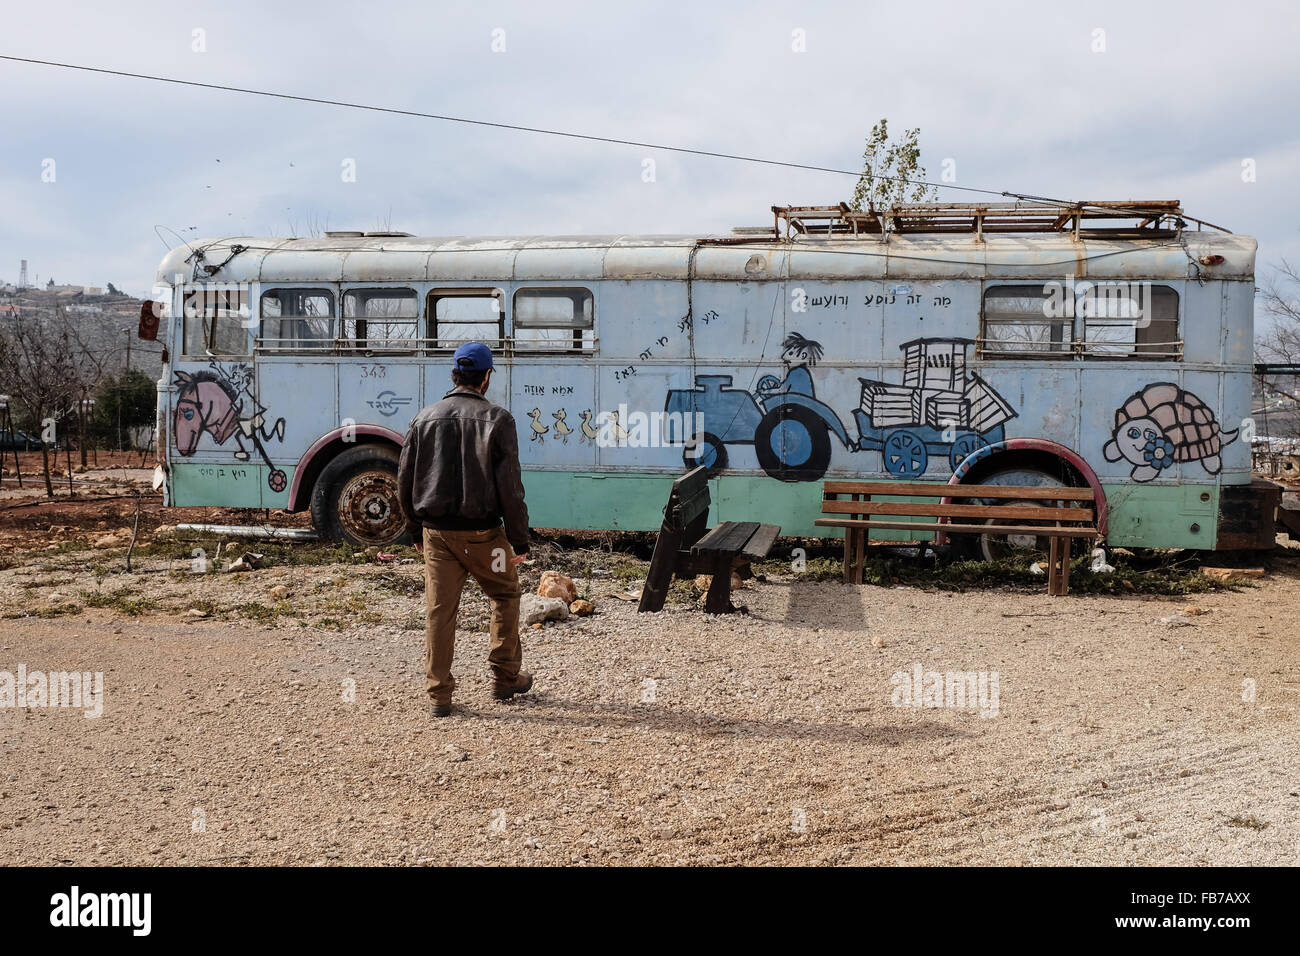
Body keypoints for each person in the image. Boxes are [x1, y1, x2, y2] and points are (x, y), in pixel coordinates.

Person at [397, 342, 533, 718]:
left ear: (455, 374)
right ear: (487, 377)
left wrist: (413, 530)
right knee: (505, 594)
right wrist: (519, 539)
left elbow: (404, 481)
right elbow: (510, 487)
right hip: (484, 535)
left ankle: (439, 694)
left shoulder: (424, 418)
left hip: (437, 534)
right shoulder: (499, 420)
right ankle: (505, 678)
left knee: (439, 610)